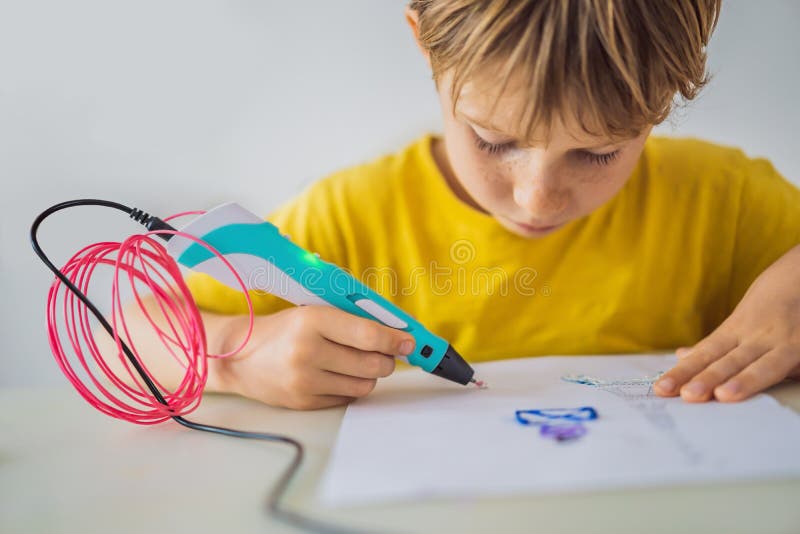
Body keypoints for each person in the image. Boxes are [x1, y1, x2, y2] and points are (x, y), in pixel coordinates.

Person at [114, 0, 800, 410]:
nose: (537, 198)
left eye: (597, 154)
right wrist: (235, 353)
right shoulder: (349, 219)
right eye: (495, 140)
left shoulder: (724, 201)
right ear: (426, 45)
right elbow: (129, 334)